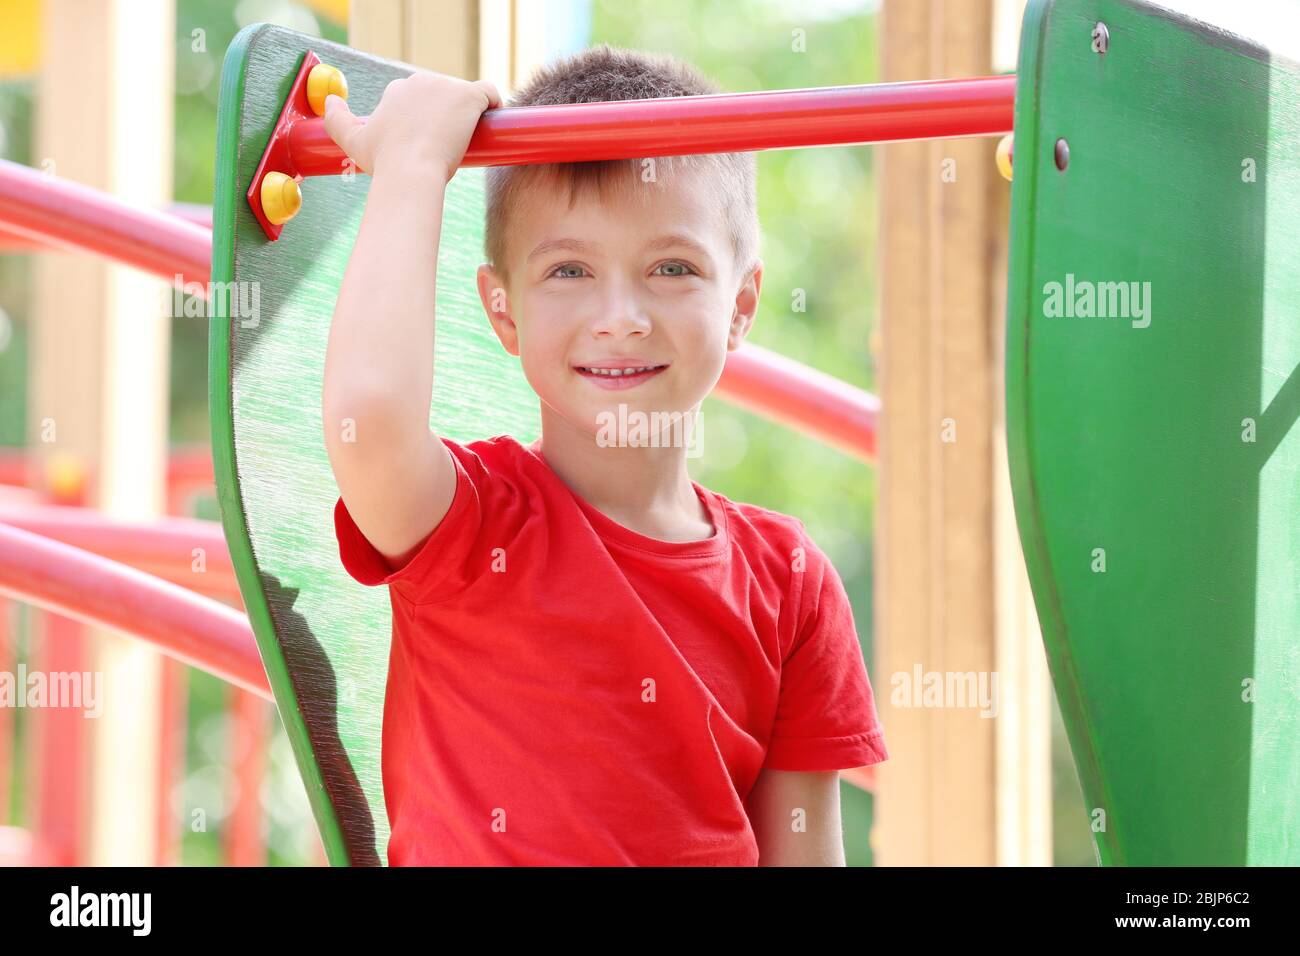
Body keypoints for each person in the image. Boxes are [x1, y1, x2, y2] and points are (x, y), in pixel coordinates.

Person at [321, 43, 887, 866]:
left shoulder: (790, 582)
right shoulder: (472, 526)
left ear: (742, 304)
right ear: (503, 312)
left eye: (670, 267)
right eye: (570, 270)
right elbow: (367, 422)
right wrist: (411, 164)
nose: (619, 315)